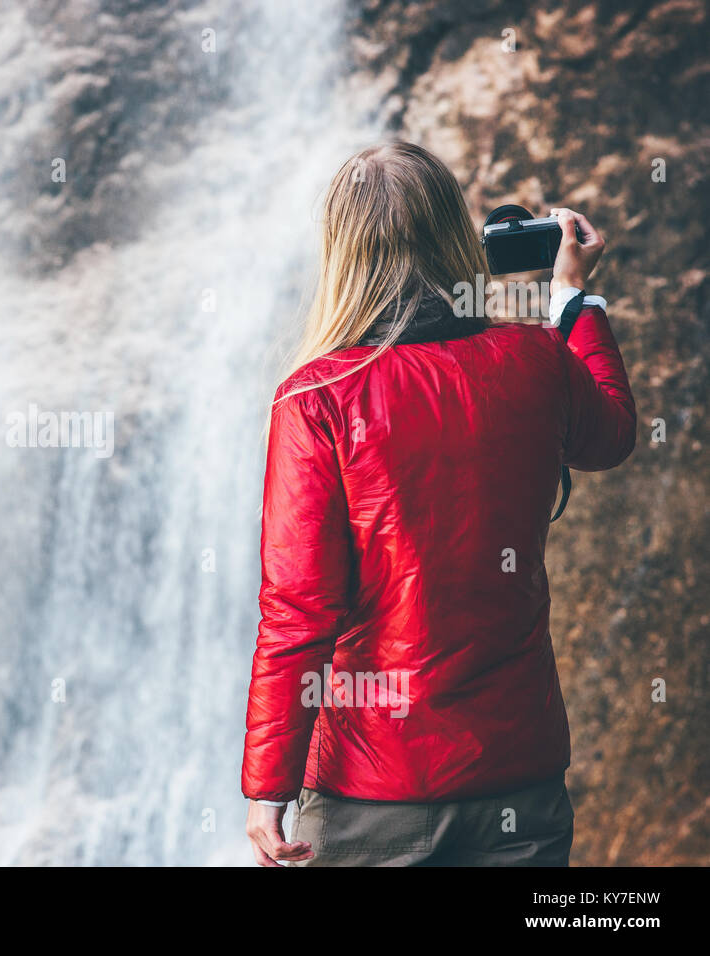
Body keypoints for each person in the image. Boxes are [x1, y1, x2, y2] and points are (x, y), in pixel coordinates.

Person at [242, 142, 635, 867]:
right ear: (458, 236)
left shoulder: (317, 397)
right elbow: (610, 434)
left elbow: (298, 610)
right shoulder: (536, 359)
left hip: (371, 796)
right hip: (518, 781)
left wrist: (269, 785)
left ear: (342, 254)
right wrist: (574, 301)